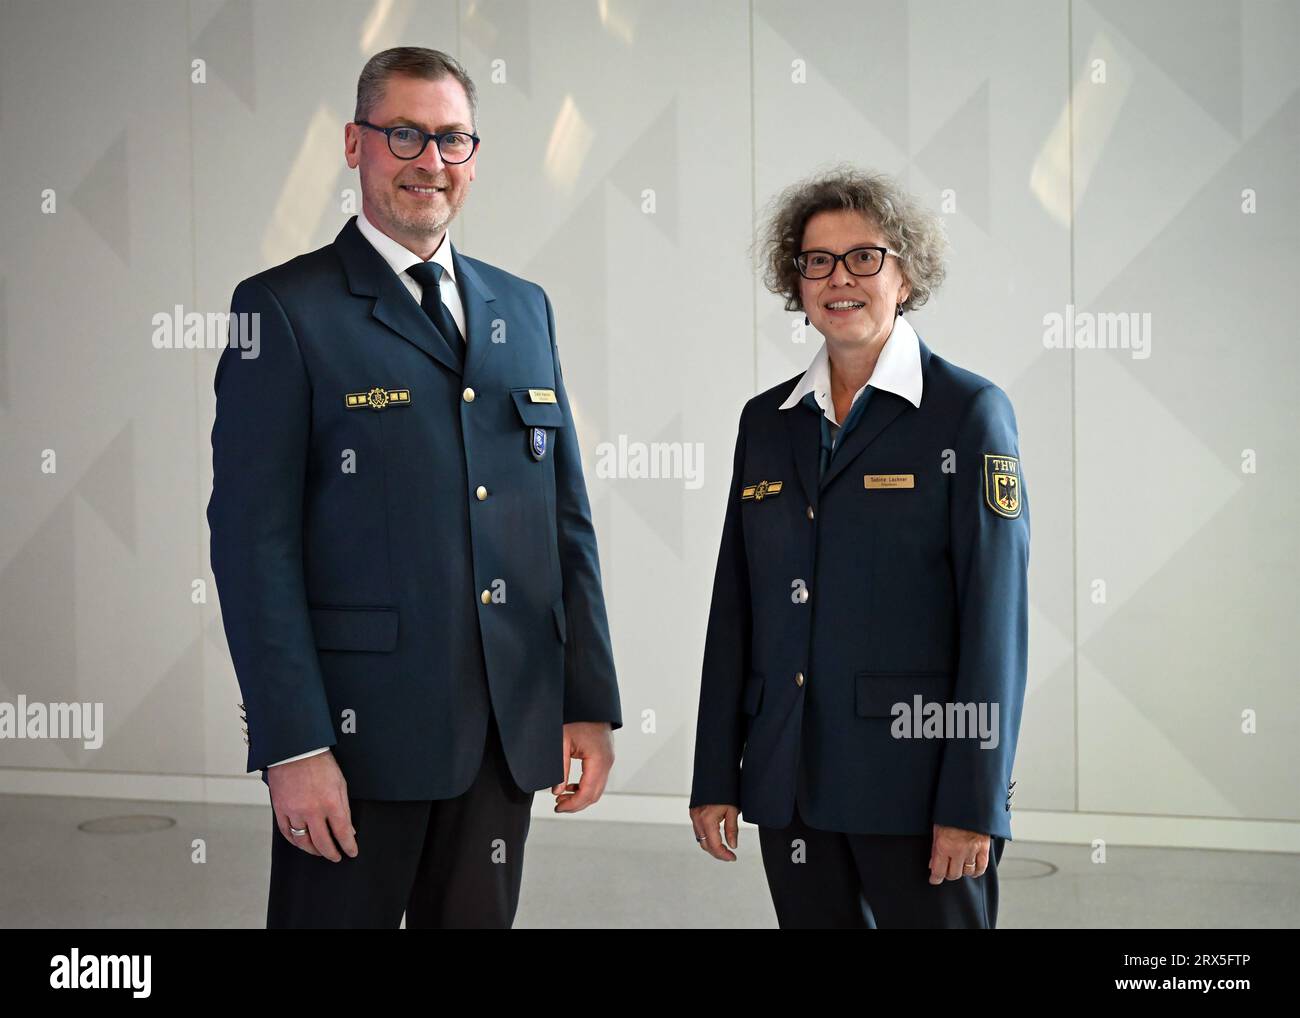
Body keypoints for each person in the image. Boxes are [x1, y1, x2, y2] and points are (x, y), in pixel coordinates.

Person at [207, 46, 620, 929]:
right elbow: (253, 546)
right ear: (355, 144)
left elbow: (563, 523)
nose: (430, 161)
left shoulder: (524, 306)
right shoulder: (281, 309)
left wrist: (585, 698)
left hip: (505, 739)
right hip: (357, 747)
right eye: (405, 135)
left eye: (452, 139)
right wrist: (296, 745)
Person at [688, 166, 1029, 929]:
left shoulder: (968, 414)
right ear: (797, 281)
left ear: (905, 274)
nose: (839, 279)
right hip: (791, 787)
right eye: (818, 261)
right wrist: (717, 771)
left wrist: (975, 798)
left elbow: (994, 621)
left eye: (864, 257)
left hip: (917, 788)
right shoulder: (765, 422)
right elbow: (734, 611)